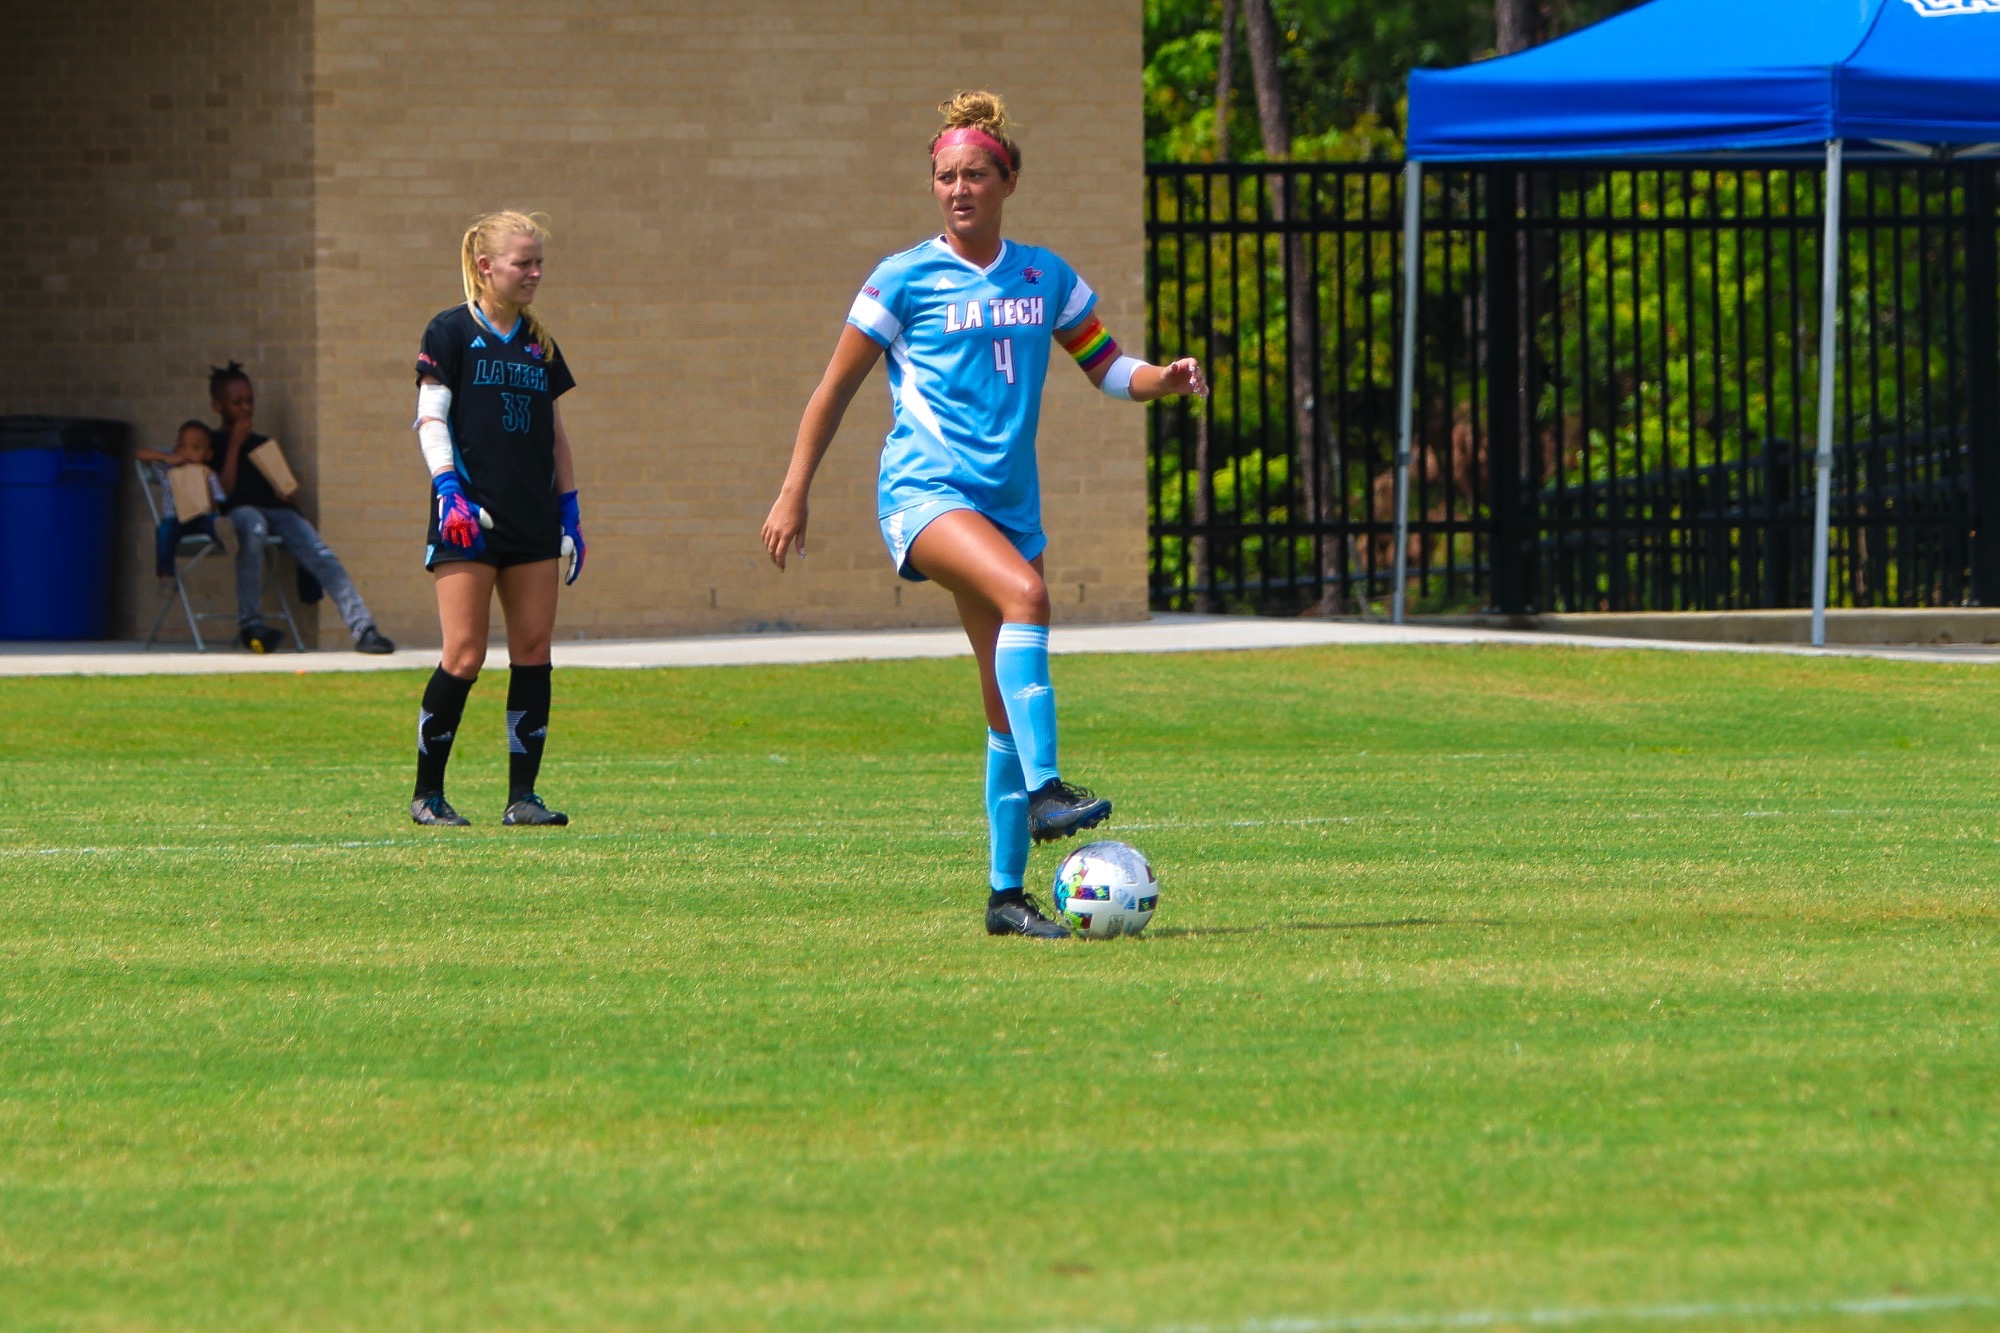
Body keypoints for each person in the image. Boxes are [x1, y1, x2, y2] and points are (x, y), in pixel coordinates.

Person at [761, 92, 1207, 939]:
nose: (958, 188)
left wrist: (1166, 378)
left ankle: (1007, 896)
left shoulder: (1043, 275)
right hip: (924, 494)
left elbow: (1108, 366)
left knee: (1002, 705)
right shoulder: (901, 277)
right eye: (945, 176)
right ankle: (1048, 793)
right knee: (1028, 598)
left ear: (1008, 180)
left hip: (1008, 505)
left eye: (974, 174)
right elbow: (834, 389)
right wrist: (794, 489)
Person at [407, 210, 586, 828]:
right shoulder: (451, 332)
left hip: (533, 520)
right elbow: (430, 418)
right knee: (464, 655)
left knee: (533, 651)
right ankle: (428, 794)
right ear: (487, 267)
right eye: (523, 263)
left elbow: (555, 434)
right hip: (467, 519)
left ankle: (523, 798)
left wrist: (570, 507)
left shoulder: (540, 343)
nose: (535, 273)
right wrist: (447, 490)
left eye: (539, 262)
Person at [208, 362, 396, 655]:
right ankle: (250, 624)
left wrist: (288, 493)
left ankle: (364, 629)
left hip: (276, 512)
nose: (246, 408)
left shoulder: (263, 443)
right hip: (240, 512)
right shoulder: (213, 444)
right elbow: (225, 490)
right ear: (218, 406)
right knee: (253, 528)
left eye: (249, 401)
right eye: (237, 402)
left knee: (321, 553)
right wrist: (234, 445)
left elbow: (283, 489)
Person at [138, 420, 228, 588]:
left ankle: (228, 540)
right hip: (176, 520)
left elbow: (217, 504)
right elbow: (140, 454)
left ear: (207, 454)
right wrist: (166, 457)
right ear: (176, 450)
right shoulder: (167, 471)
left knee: (215, 520)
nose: (188, 453)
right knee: (163, 529)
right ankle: (166, 575)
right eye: (182, 447)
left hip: (200, 518)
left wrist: (206, 484)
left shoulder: (208, 474)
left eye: (195, 448)